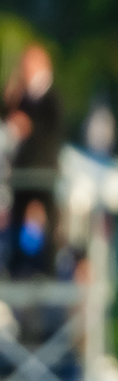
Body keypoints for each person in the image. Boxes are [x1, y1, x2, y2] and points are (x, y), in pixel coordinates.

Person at [5, 44, 63, 277]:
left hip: (44, 169)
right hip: (22, 171)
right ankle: (16, 265)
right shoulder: (22, 96)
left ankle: (49, 268)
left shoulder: (51, 98)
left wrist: (29, 127)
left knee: (48, 219)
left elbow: (54, 130)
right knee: (17, 216)